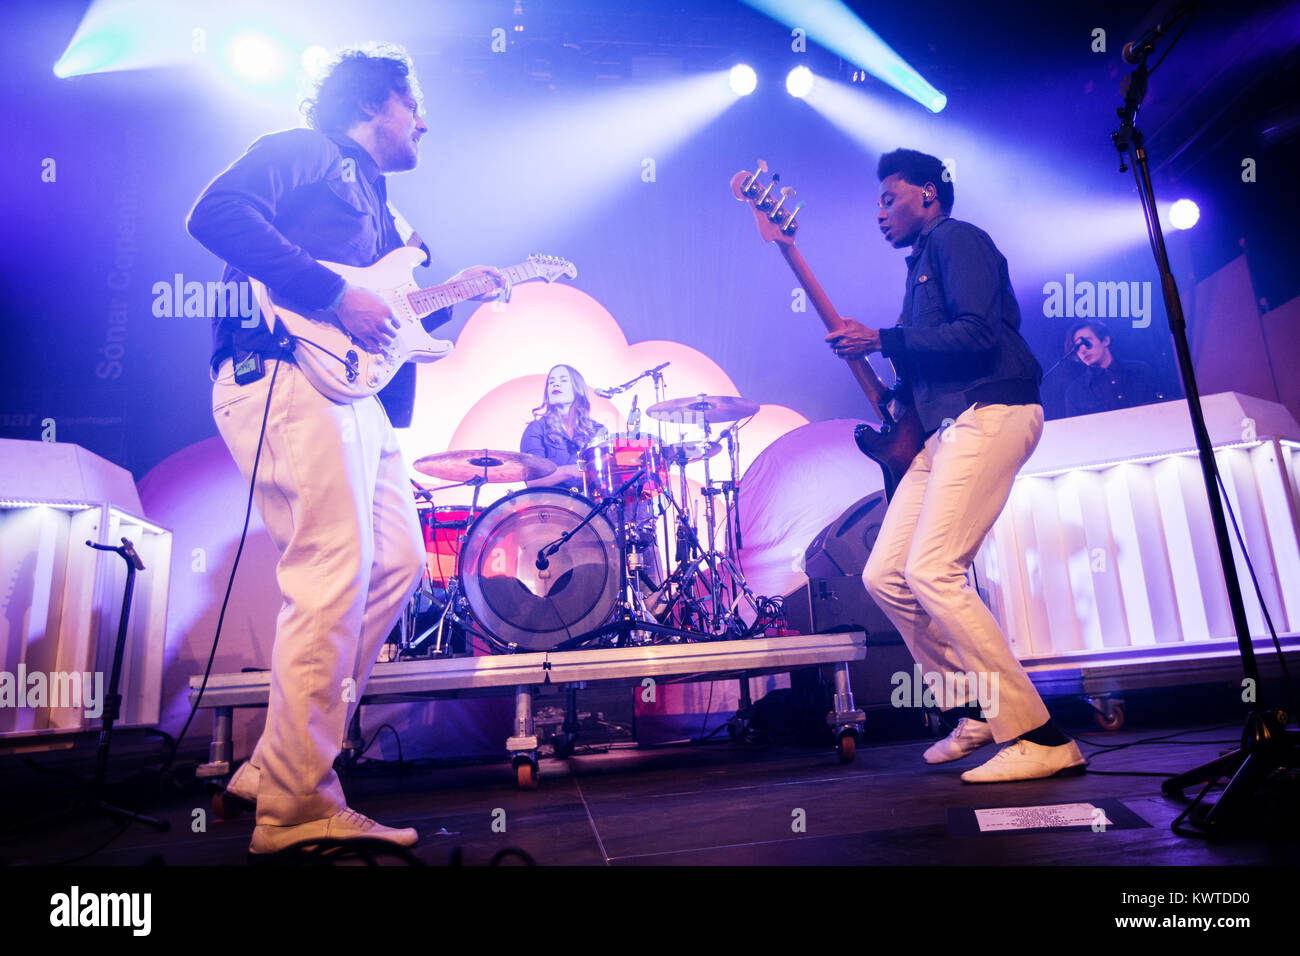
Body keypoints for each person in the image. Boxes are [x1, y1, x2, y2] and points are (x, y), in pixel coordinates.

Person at [188, 45, 505, 855]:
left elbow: (382, 321)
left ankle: (277, 763)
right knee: (332, 573)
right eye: (415, 102)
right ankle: (296, 807)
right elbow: (214, 214)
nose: (425, 119)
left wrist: (450, 298)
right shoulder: (304, 152)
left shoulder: (383, 209)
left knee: (397, 561)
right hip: (287, 377)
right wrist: (334, 294)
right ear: (374, 104)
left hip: (355, 397)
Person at [826, 148, 1085, 783]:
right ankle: (975, 707)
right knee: (886, 574)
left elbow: (979, 333)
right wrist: (892, 388)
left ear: (929, 197)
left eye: (891, 197)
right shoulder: (919, 270)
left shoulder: (958, 240)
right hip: (944, 429)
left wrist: (883, 338)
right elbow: (930, 361)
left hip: (991, 411)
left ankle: (1040, 735)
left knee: (934, 570)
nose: (879, 211)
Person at [520, 365, 608, 491]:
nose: (556, 385)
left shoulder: (598, 431)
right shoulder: (536, 429)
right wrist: (571, 470)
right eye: (551, 382)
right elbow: (533, 481)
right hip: (549, 505)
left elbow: (604, 479)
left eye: (563, 380)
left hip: (588, 506)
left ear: (578, 389)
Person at [1063, 319, 1161, 416]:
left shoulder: (1140, 371)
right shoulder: (1075, 392)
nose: (1082, 350)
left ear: (1105, 341)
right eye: (1077, 347)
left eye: (1086, 342)